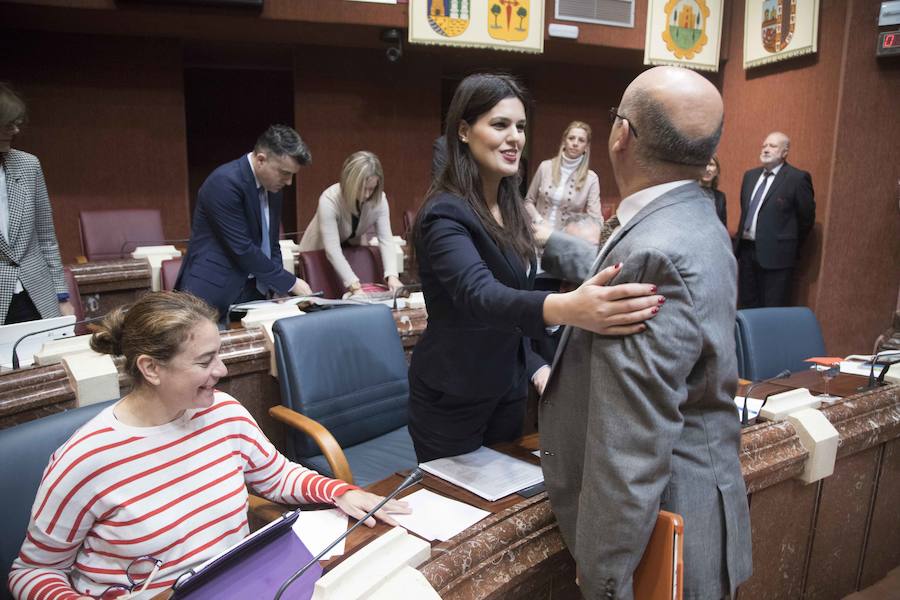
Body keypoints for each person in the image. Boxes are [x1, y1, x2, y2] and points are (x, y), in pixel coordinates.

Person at [8, 291, 409, 599]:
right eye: (205, 361)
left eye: (219, 355)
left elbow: (277, 475)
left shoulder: (223, 412)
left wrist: (340, 492)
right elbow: (32, 573)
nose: (222, 370)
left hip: (235, 584)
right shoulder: (86, 459)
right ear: (151, 368)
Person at [536, 66, 752, 599]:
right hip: (702, 502)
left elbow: (630, 440)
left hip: (657, 534)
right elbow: (621, 259)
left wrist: (604, 573)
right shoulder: (695, 218)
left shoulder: (655, 252)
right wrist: (549, 241)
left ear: (621, 134)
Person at [408, 73, 663, 463]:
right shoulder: (444, 212)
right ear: (463, 131)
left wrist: (533, 364)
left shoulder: (511, 205)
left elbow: (515, 302)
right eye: (500, 125)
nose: (515, 137)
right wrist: (570, 307)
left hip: (508, 389)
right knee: (456, 502)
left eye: (521, 126)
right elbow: (480, 295)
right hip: (453, 393)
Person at [175, 125, 314, 323]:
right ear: (261, 160)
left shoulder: (274, 188)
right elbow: (241, 247)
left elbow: (271, 244)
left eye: (292, 174)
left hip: (255, 292)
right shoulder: (224, 183)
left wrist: (277, 287)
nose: (289, 182)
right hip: (212, 293)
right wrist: (289, 282)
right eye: (284, 173)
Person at [0, 82, 73, 325]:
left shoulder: (28, 165)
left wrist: (61, 295)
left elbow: (46, 237)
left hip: (35, 297)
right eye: (8, 124)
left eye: (17, 123)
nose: (15, 130)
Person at [298, 151, 402, 296]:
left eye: (371, 189)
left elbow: (386, 240)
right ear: (348, 182)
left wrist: (392, 276)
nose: (366, 195)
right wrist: (354, 285)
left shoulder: (379, 199)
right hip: (318, 254)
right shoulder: (329, 199)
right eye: (361, 188)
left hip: (350, 252)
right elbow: (332, 250)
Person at [735, 131, 815, 308]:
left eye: (772, 146)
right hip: (747, 252)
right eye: (764, 145)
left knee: (772, 309)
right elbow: (745, 210)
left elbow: (806, 219)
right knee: (746, 308)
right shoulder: (750, 176)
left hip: (777, 256)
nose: (766, 149)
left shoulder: (797, 178)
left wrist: (788, 244)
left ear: (785, 152)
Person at [524, 121, 602, 230]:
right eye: (571, 138)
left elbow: (595, 220)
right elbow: (528, 202)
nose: (575, 143)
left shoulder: (591, 179)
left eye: (581, 140)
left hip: (565, 238)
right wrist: (539, 220)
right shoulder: (545, 167)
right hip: (536, 231)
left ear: (586, 147)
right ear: (564, 141)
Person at [700, 154, 727, 227]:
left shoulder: (720, 197)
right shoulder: (688, 192)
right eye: (704, 164)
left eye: (711, 165)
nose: (707, 169)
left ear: (716, 171)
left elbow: (723, 227)